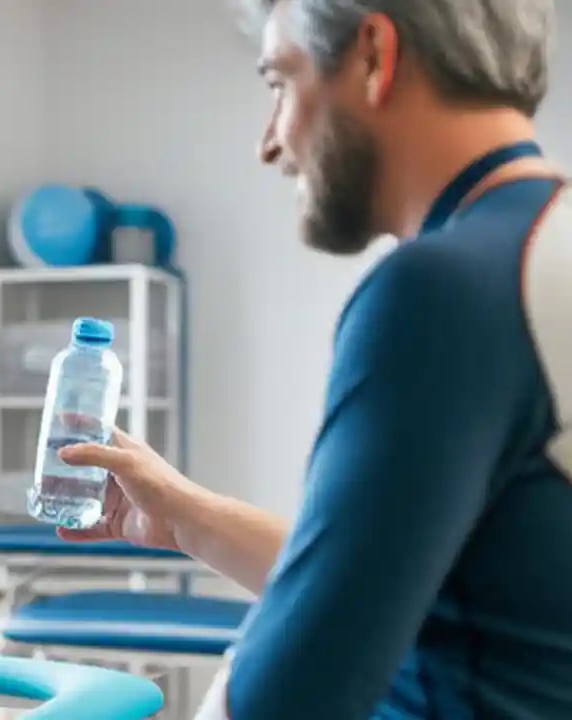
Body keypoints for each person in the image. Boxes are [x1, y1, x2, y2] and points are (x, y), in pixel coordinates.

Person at [57, 0, 572, 718]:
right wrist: (186, 519)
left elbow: (287, 698)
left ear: (372, 55)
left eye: (279, 82)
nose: (271, 143)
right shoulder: (541, 261)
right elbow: (404, 592)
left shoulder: (441, 293)